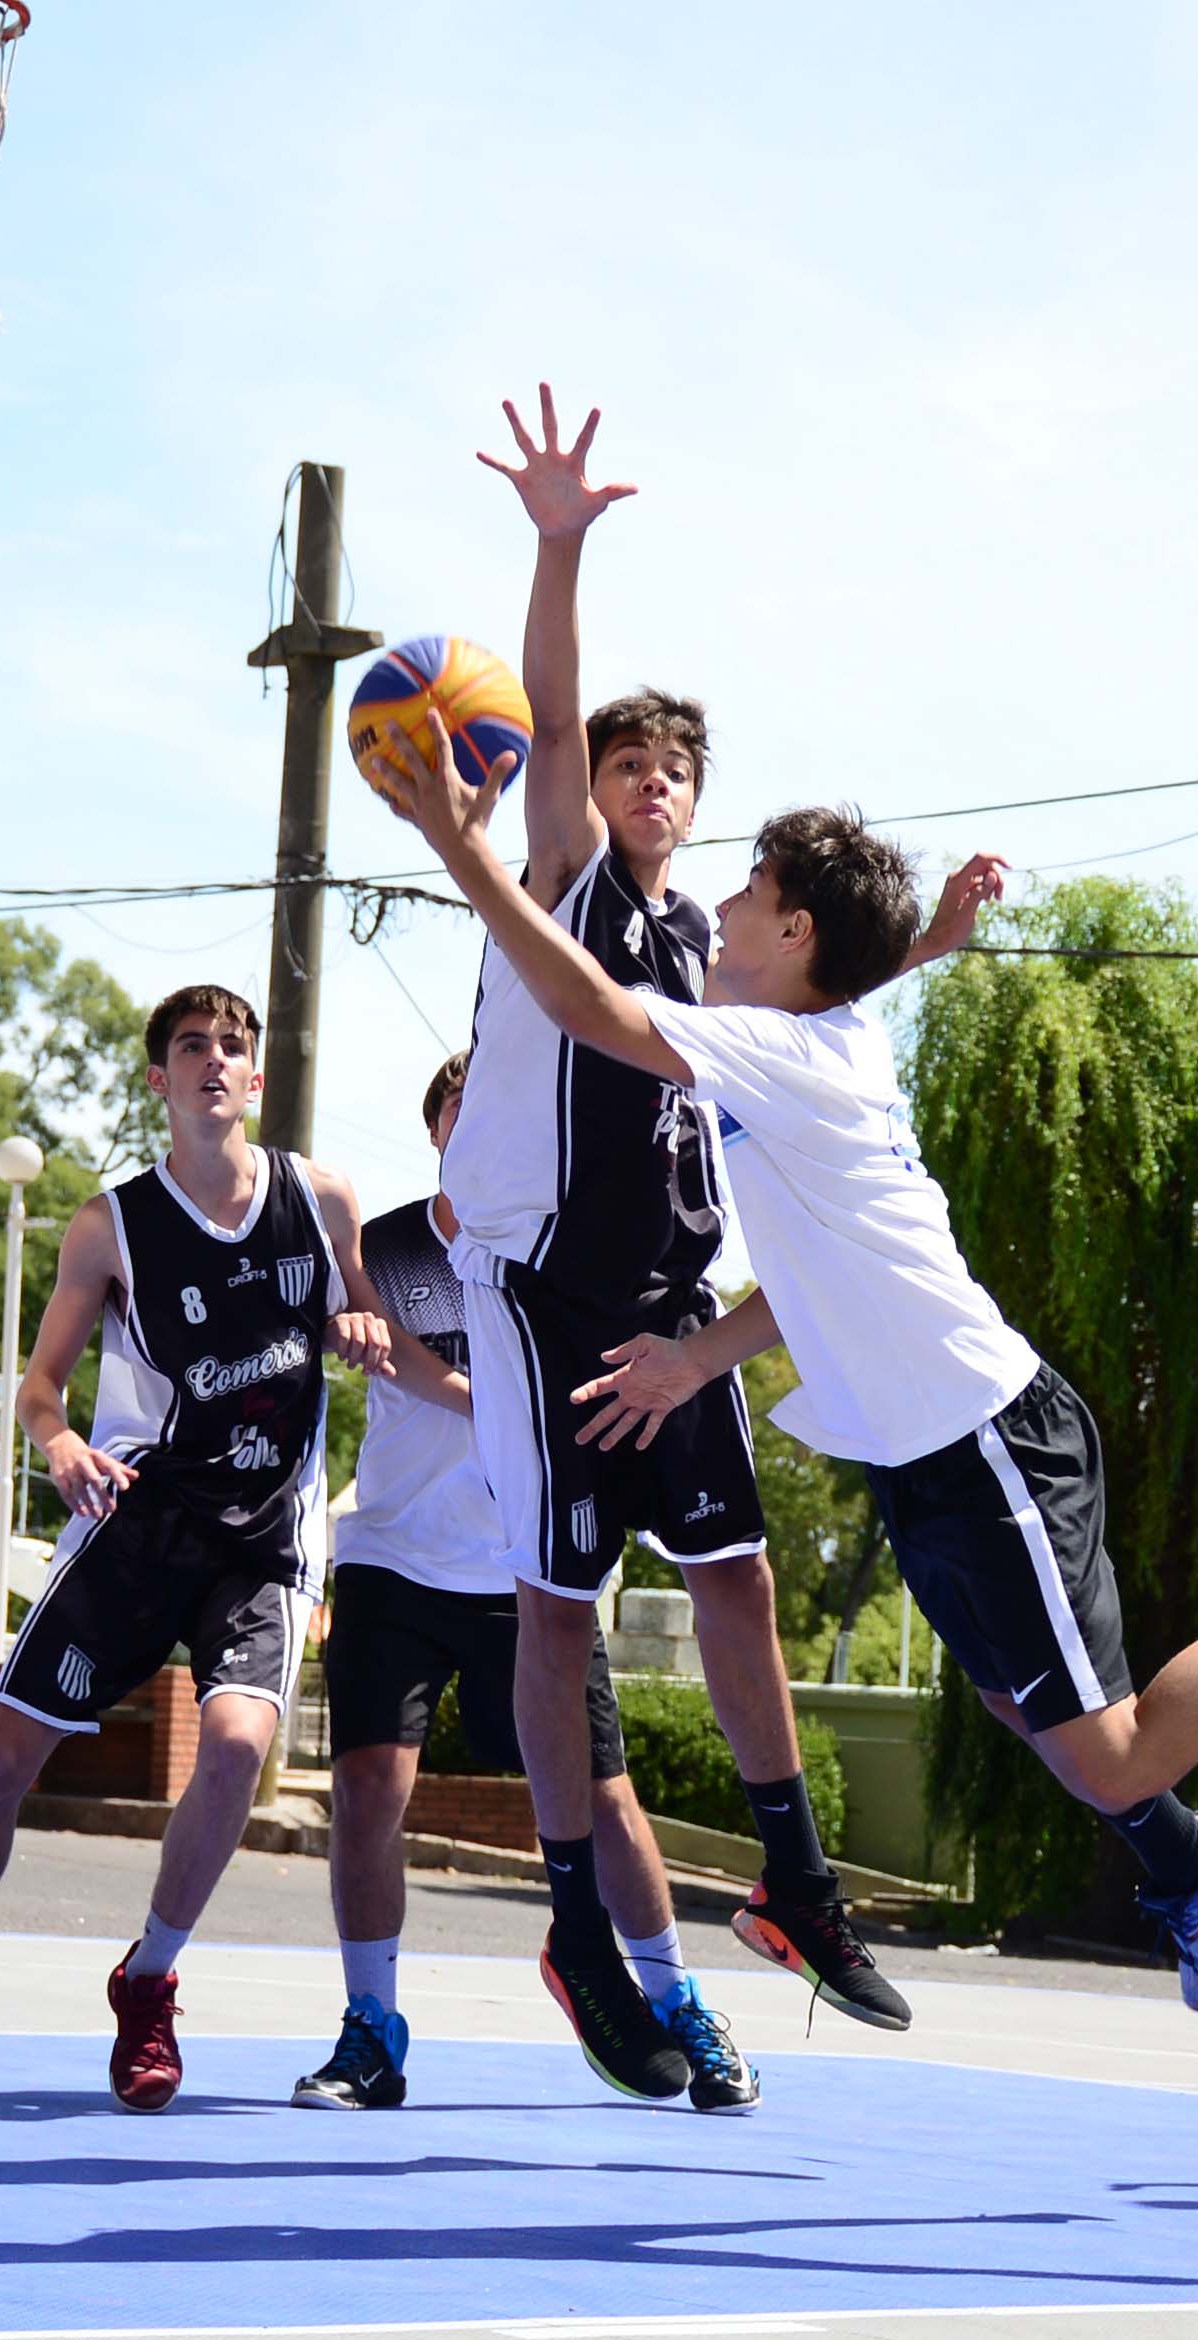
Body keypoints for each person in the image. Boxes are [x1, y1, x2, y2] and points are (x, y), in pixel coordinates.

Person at [362, 746, 1198, 2022]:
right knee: (1019, 1705)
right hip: (926, 1457)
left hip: (987, 1436)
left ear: (793, 927)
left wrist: (463, 849)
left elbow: (588, 1007)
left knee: (1112, 1744)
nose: (726, 905)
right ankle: (1197, 1859)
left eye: (750, 889)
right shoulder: (805, 1030)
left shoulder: (782, 1057)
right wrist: (917, 945)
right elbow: (804, 1231)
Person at [443, 386, 903, 2096]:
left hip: (669, 1301)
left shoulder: (705, 943)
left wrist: (913, 945)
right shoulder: (569, 875)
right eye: (633, 758)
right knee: (555, 1612)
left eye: (677, 762)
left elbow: (802, 1026)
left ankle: (792, 1868)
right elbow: (550, 713)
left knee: (740, 1573)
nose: (650, 776)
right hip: (546, 1297)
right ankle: (577, 1920)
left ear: (700, 797)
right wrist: (556, 546)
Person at [0, 987, 388, 2112]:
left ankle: (148, 1981)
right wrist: (59, 1442)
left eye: (234, 1047)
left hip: (264, 1534)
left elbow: (368, 1316)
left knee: (237, 1745)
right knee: (4, 1752)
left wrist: (359, 1321)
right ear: (159, 1079)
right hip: (136, 1520)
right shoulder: (110, 1223)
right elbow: (41, 1388)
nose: (214, 1060)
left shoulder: (322, 1199)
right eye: (192, 1046)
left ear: (254, 1082)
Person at [303, 1053, 757, 2112]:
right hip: (395, 1556)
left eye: (497, 1099)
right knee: (370, 1789)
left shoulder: (574, 1249)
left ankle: (677, 1998)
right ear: (435, 1130)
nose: (481, 1117)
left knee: (607, 1804)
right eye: (459, 1105)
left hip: (534, 1572)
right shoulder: (391, 1245)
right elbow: (389, 1347)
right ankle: (371, 2028)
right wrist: (398, 1346)